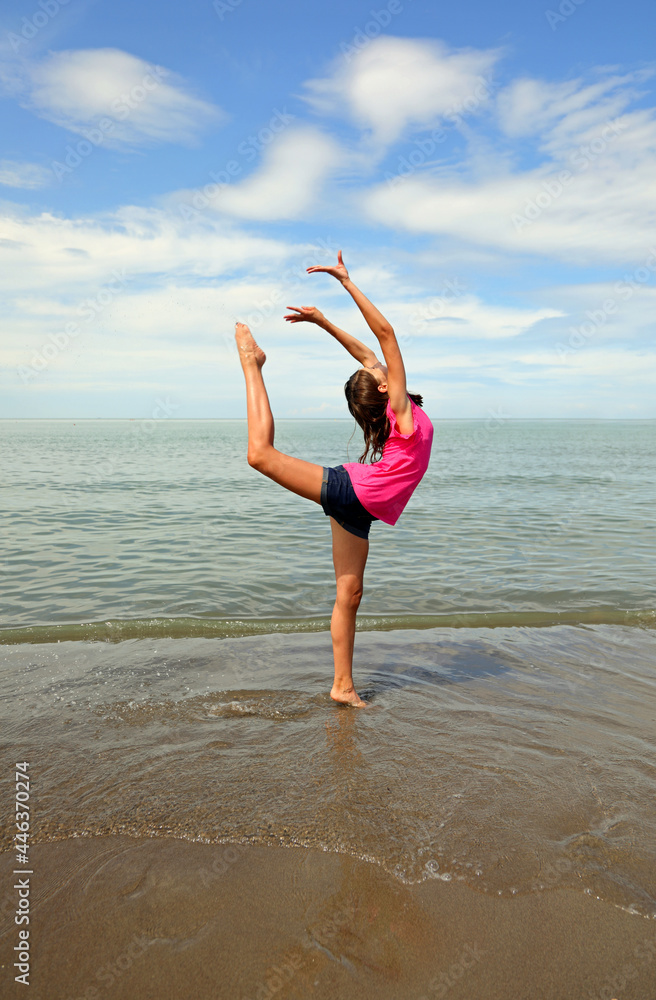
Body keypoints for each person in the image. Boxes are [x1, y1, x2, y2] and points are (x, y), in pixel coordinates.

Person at [235, 251, 433, 707]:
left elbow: (365, 350)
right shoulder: (401, 409)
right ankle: (252, 364)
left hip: (361, 507)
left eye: (374, 367)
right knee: (259, 455)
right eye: (376, 371)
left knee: (351, 592)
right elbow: (384, 336)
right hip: (354, 492)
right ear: (385, 388)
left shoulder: (398, 403)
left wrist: (323, 321)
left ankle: (342, 687)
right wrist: (347, 282)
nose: (375, 363)